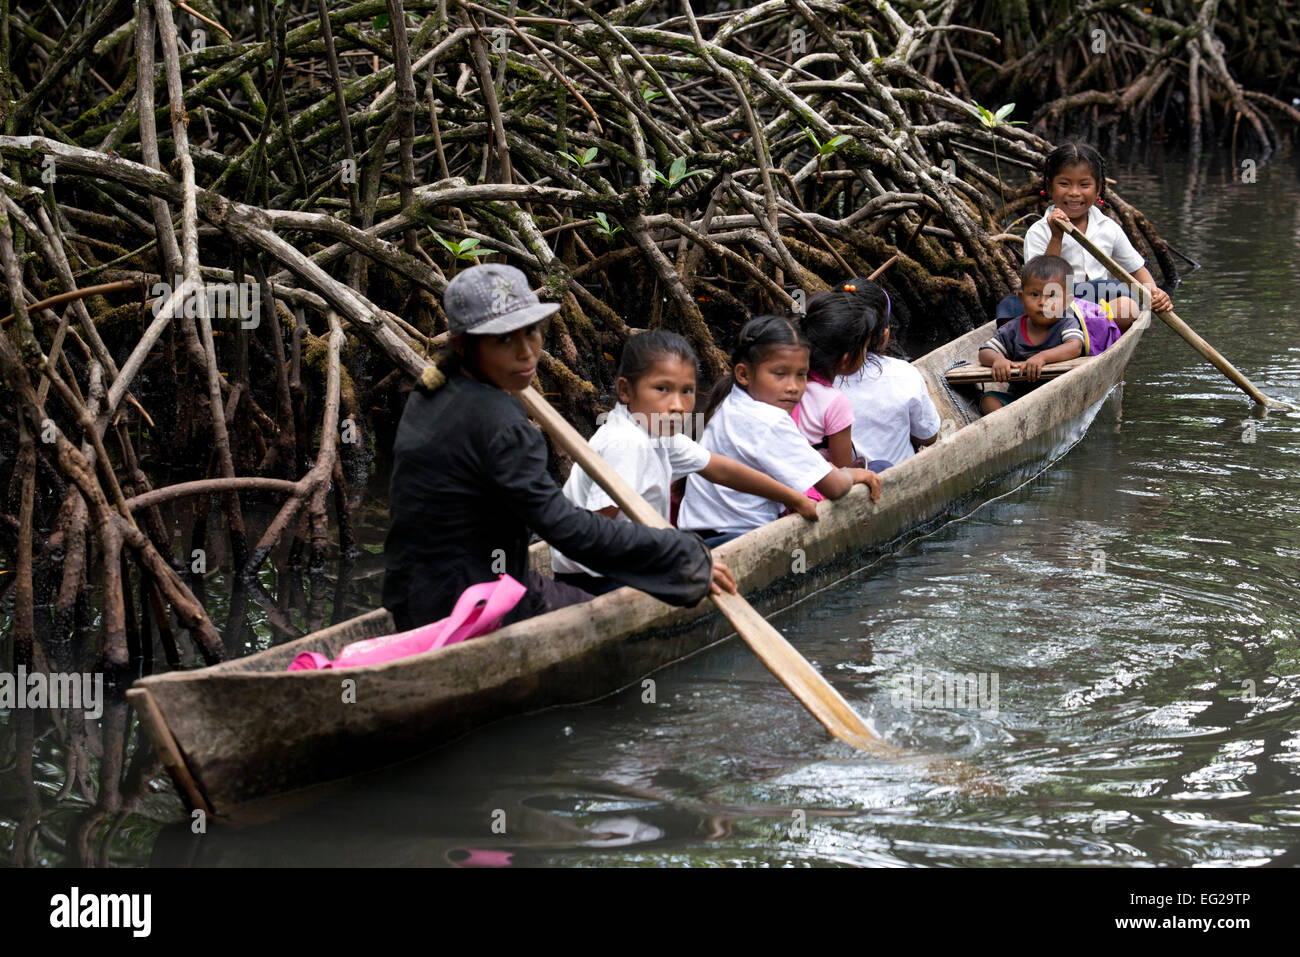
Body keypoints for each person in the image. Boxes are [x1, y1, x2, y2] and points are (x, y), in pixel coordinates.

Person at [382, 263, 736, 631]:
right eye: (504, 340)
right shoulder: (501, 422)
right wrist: (678, 554)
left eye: (531, 332)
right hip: (476, 601)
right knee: (613, 627)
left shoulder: (431, 391)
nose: (526, 353)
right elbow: (569, 531)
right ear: (463, 346)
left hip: (411, 595)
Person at [550, 330, 819, 596]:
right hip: (598, 577)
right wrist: (669, 561)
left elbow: (720, 469)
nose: (678, 405)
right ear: (625, 390)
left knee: (739, 542)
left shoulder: (654, 429)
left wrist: (793, 498)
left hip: (627, 562)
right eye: (662, 389)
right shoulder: (627, 442)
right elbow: (595, 532)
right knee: (736, 552)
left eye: (687, 391)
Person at [677, 314, 882, 546]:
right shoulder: (770, 420)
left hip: (695, 537)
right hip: (740, 538)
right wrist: (855, 474)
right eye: (779, 374)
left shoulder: (727, 402)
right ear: (743, 374)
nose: (793, 387)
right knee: (880, 468)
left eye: (801, 375)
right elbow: (835, 488)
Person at [997, 141, 1172, 330]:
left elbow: (1137, 271)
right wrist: (1057, 236)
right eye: (1064, 184)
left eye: (1084, 185)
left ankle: (1076, 330)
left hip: (1096, 304)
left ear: (1098, 189)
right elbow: (1041, 285)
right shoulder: (1039, 232)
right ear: (1049, 186)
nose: (1074, 193)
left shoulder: (1108, 228)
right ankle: (1075, 330)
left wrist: (1155, 294)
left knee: (1127, 303)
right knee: (1008, 307)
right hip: (1054, 305)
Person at [827, 279, 940, 469]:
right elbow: (928, 436)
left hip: (843, 482)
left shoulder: (816, 380)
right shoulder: (904, 373)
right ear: (884, 335)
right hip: (901, 475)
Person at [980, 255, 1087, 415]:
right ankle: (1012, 427)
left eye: (1052, 295)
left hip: (1060, 396)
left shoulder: (1066, 323)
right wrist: (998, 359)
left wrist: (1042, 357)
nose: (1043, 302)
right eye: (1034, 295)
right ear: (1022, 298)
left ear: (1067, 302)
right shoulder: (1012, 329)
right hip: (1019, 399)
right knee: (988, 401)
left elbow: (1075, 346)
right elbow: (984, 352)